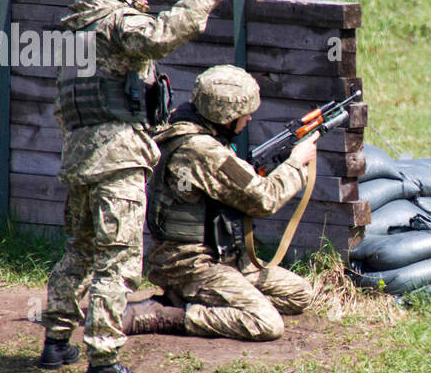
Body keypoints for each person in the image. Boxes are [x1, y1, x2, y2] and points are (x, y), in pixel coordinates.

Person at [37, 0, 233, 373]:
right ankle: (104, 364)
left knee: (80, 250)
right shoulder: (118, 20)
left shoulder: (77, 25)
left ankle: (56, 341)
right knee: (117, 259)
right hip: (117, 159)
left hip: (81, 157)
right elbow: (158, 36)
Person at [127, 64, 319, 341]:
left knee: (300, 294)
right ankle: (167, 315)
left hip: (223, 259)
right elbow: (264, 200)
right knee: (266, 323)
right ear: (225, 116)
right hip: (191, 266)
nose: (250, 119)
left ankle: (210, 303)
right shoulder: (202, 151)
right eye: (244, 113)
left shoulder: (188, 126)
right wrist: (296, 165)